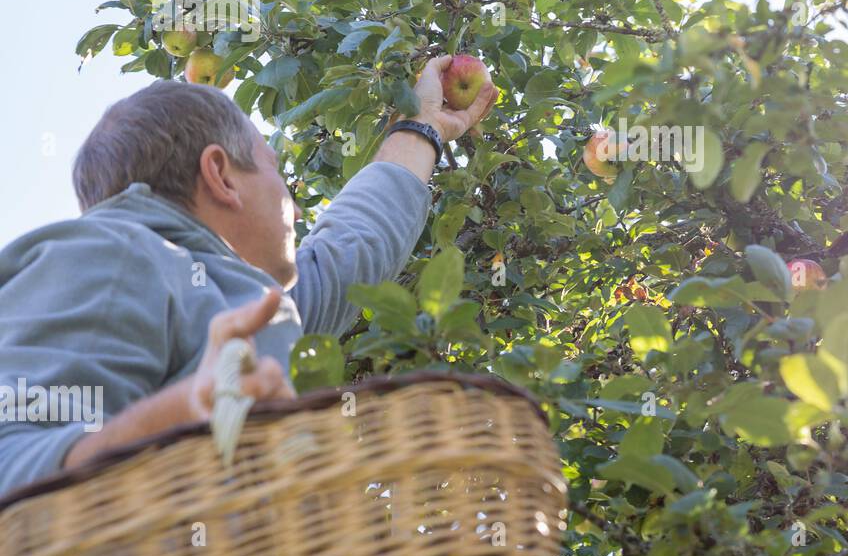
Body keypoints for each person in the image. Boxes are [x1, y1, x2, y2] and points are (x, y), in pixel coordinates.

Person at [0, 56, 495, 497]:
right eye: (274, 171)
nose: (295, 207)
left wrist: (423, 124)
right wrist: (178, 422)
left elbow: (357, 244)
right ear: (221, 175)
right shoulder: (111, 255)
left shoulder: (244, 303)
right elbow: (14, 458)